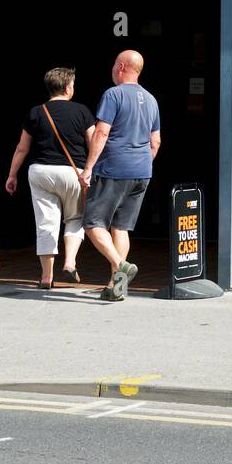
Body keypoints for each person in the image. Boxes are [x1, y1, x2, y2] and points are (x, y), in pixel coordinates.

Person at [81, 50, 161, 301]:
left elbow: (102, 133)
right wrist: (142, 164)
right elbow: (156, 142)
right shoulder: (151, 99)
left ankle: (120, 265)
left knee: (92, 223)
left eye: (115, 64)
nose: (113, 68)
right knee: (121, 227)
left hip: (113, 168)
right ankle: (117, 287)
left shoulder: (112, 95)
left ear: (121, 67)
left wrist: (89, 167)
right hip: (142, 171)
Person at [5, 67, 95, 289]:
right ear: (67, 87)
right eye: (73, 85)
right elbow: (95, 144)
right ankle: (70, 264)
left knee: (46, 223)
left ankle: (46, 277)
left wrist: (12, 174)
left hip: (41, 172)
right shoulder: (82, 111)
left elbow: (22, 149)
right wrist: (90, 170)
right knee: (75, 218)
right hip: (73, 173)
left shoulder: (36, 112)